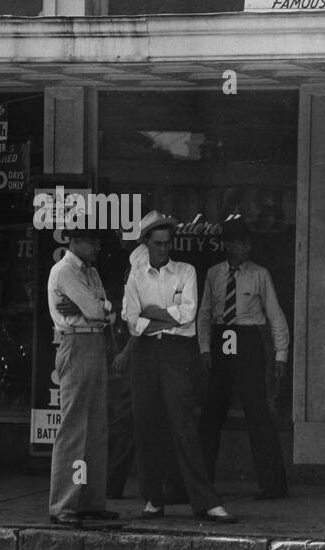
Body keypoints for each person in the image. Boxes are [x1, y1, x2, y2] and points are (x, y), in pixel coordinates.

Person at [122, 211, 236, 524]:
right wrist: (160, 316)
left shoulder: (185, 271)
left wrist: (151, 315)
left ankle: (205, 501)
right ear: (146, 244)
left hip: (176, 354)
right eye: (156, 244)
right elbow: (131, 320)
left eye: (166, 243)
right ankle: (153, 500)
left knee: (183, 425)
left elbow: (187, 313)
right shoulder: (136, 276)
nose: (162, 249)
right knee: (146, 424)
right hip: (145, 355)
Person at [197, 216, 290, 500]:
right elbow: (203, 313)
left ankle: (272, 485)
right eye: (238, 242)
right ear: (227, 245)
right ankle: (202, 483)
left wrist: (281, 353)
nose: (244, 247)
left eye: (247, 242)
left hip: (247, 340)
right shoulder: (214, 273)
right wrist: (203, 349)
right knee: (212, 412)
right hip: (221, 337)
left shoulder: (259, 274)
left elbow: (275, 314)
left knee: (258, 411)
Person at [45, 229, 119, 526]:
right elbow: (96, 309)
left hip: (94, 340)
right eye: (91, 241)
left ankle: (89, 501)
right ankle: (63, 505)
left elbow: (108, 312)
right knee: (74, 425)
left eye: (98, 241)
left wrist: (97, 309)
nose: (96, 246)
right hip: (75, 341)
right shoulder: (64, 271)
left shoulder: (92, 272)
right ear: (73, 241)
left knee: (96, 425)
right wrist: (95, 308)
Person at [104, 242, 186, 506]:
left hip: (146, 361)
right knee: (144, 424)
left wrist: (126, 352)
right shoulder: (144, 275)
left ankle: (117, 483)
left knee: (133, 423)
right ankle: (164, 485)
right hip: (149, 361)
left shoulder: (146, 278)